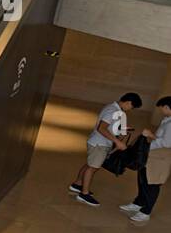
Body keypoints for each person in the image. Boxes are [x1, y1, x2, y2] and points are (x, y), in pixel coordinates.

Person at [70, 93, 141, 206]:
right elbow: (101, 128)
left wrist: (122, 130)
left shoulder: (115, 109)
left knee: (90, 164)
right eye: (132, 107)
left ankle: (77, 184)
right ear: (128, 102)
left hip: (99, 142)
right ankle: (84, 194)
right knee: (93, 168)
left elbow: (108, 127)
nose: (130, 110)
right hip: (100, 144)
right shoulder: (113, 110)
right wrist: (117, 142)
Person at [122, 96, 171, 224]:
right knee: (143, 179)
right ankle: (138, 203)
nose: (161, 111)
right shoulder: (167, 120)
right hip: (153, 155)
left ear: (167, 107)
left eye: (162, 108)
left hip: (160, 158)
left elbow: (166, 142)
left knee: (152, 184)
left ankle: (146, 212)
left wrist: (150, 135)